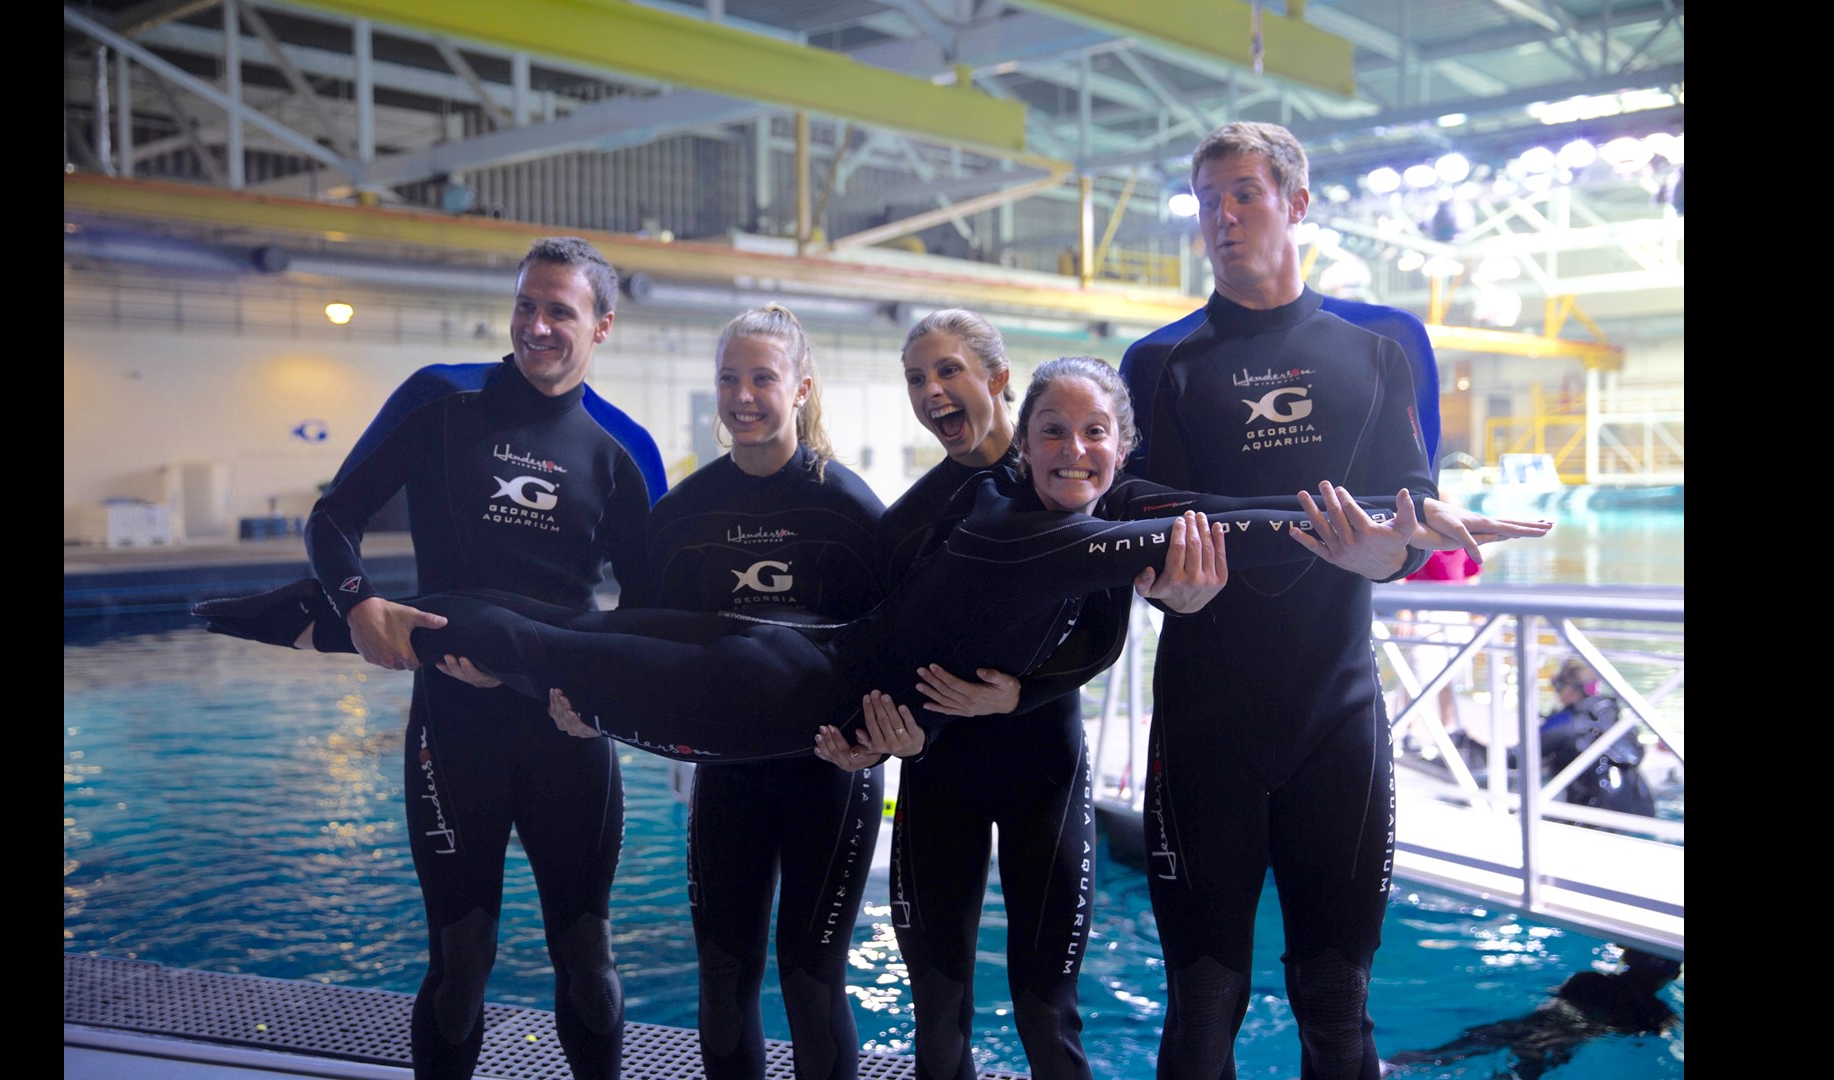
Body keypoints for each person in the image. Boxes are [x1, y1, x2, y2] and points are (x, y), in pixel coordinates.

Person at [203, 364, 1540, 770]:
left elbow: (1246, 512)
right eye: (1056, 430)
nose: (1074, 450)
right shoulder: (1000, 498)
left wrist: (1433, 521)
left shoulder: (1097, 526)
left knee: (549, 648)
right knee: (562, 628)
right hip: (811, 665)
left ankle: (363, 635)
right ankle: (327, 615)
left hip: (812, 715)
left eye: (1096, 435)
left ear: (1119, 451)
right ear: (1033, 436)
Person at [1118, 121, 1444, 1080]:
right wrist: (1170, 589)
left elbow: (1407, 509)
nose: (1221, 217)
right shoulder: (1162, 362)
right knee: (1202, 1006)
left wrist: (1390, 559)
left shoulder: (1379, 347)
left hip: (1336, 717)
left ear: (1297, 203)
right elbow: (1142, 514)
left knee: (1337, 1007)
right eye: (1206, 200)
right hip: (1204, 721)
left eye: (1244, 194)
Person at [299, 236, 654, 1080]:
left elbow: (650, 615)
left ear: (601, 326)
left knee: (589, 962)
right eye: (525, 305)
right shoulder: (440, 399)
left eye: (558, 311)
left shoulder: (622, 448)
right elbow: (331, 518)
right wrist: (359, 605)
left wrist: (591, 691)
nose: (536, 325)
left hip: (567, 730)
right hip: (453, 729)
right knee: (461, 964)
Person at [822, 318, 1210, 1080]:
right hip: (939, 776)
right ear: (1030, 436)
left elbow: (1102, 633)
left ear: (997, 380)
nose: (933, 391)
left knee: (1045, 1009)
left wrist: (1020, 695)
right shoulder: (921, 519)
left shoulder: (1093, 495)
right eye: (916, 377)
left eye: (950, 371)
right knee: (936, 1011)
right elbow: (877, 647)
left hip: (1045, 772)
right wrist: (878, 735)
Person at [627, 304, 890, 1080]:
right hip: (730, 772)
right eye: (730, 378)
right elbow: (639, 641)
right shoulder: (681, 517)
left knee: (811, 977)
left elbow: (893, 645)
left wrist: (880, 735)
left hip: (830, 774)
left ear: (801, 388)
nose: (744, 395)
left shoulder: (848, 511)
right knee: (722, 976)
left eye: (763, 378)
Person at [1384, 948, 1681, 1078]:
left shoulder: (1586, 979)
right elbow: (1642, 1039)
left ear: (1624, 957)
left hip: (1525, 1024)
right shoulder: (1657, 1014)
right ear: (1672, 976)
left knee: (1449, 1050)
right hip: (1557, 1043)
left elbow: (1554, 999)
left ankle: (1391, 1066)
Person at [1540, 658, 1655, 818]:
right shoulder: (1616, 718)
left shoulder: (1567, 722)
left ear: (1568, 690)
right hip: (1641, 812)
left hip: (1596, 820)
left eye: (1557, 687)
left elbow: (1520, 755)